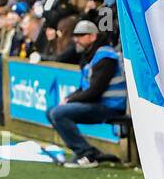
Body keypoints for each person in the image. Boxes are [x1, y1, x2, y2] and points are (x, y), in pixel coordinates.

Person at [46, 21, 126, 166]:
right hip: (98, 104)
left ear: (93, 37)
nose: (76, 39)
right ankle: (88, 152)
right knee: (51, 111)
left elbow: (94, 92)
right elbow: (84, 88)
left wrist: (70, 101)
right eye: (75, 36)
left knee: (58, 113)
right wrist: (69, 98)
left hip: (111, 107)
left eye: (81, 35)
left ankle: (87, 155)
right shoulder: (90, 56)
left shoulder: (106, 56)